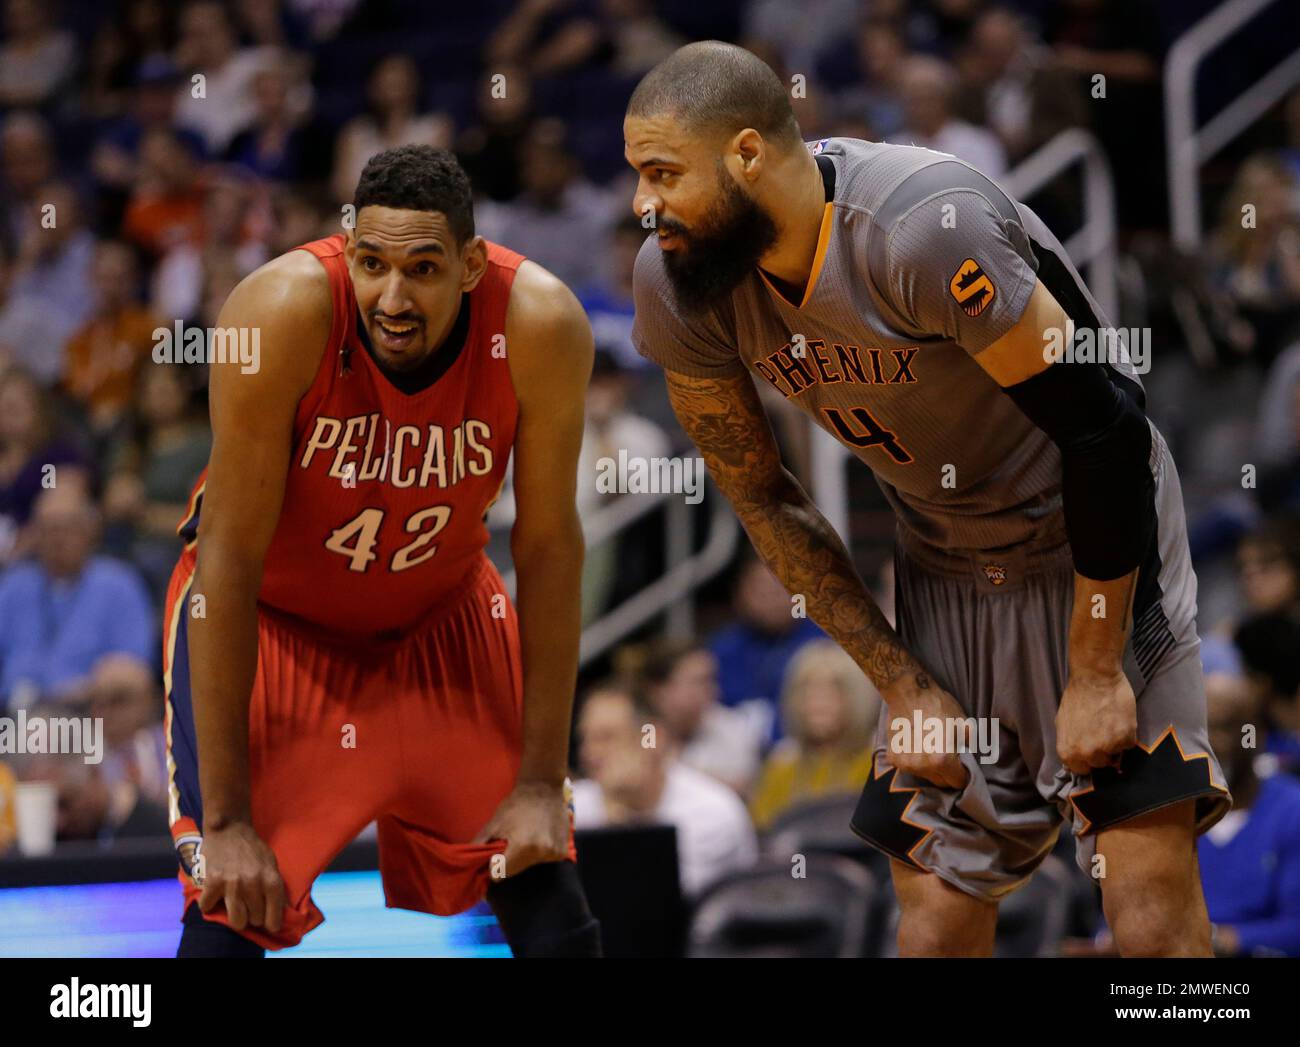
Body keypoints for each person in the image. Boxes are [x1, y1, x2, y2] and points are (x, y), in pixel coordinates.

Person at [626, 42, 1229, 957]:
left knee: (1146, 915)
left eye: (663, 173)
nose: (643, 203)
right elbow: (763, 499)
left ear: (747, 154)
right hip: (943, 562)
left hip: (1094, 536)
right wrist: (901, 684)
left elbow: (1102, 431)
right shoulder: (680, 285)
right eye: (638, 176)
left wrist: (1098, 667)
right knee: (937, 920)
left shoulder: (923, 226)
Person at [165, 145, 599, 958]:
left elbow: (547, 548)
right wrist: (224, 822)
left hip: (440, 617)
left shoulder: (538, 322)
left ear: (471, 265)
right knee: (235, 904)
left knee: (539, 870)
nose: (391, 298)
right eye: (371, 263)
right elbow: (225, 568)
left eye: (424, 269)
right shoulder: (279, 312)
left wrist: (544, 781)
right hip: (276, 627)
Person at [572, 679, 758, 897]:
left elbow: (659, 903)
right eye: (585, 739)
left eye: (606, 738)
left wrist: (617, 822)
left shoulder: (711, 810)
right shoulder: (572, 806)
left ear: (652, 739)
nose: (588, 753)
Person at [0, 483, 154, 707]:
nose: (56, 540)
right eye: (47, 530)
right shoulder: (15, 584)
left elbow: (133, 667)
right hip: (11, 708)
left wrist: (87, 689)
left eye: (67, 528)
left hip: (86, 713)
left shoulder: (119, 585)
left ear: (89, 530)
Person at [1197, 670, 1300, 957]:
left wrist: (1219, 940)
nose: (1209, 745)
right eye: (1198, 730)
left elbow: (1296, 929)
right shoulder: (1167, 816)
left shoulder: (1292, 812)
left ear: (1256, 734)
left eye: (1224, 727)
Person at [750, 641, 879, 831]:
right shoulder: (781, 766)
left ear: (857, 698)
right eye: (808, 693)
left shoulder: (878, 766)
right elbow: (763, 832)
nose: (818, 704)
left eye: (832, 693)